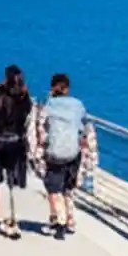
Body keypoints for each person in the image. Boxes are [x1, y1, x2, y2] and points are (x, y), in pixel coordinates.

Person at [0, 65, 33, 238]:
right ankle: (13, 216)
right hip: (16, 142)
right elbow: (26, 121)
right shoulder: (25, 99)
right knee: (13, 179)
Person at [36, 73, 88, 240]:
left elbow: (40, 126)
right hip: (73, 153)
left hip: (55, 153)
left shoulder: (49, 105)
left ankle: (59, 223)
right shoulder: (78, 105)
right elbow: (83, 125)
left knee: (53, 189)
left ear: (52, 88)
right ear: (67, 89)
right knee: (67, 188)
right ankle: (71, 220)